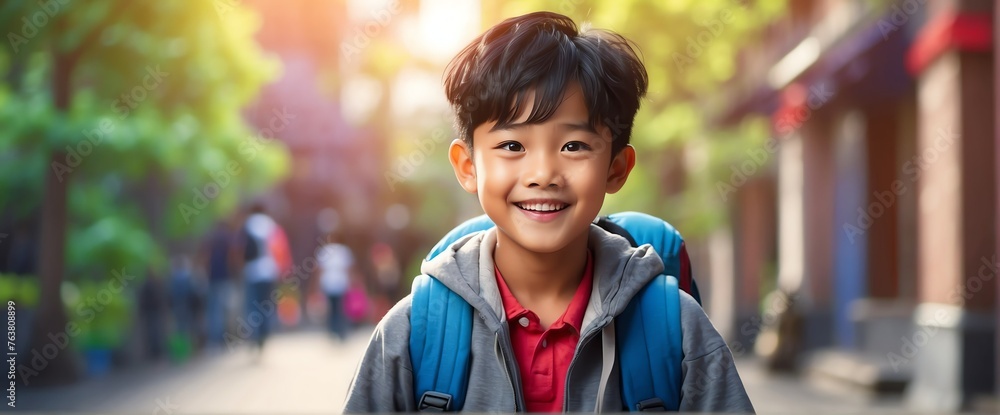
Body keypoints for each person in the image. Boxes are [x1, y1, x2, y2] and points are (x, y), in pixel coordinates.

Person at [343, 11, 753, 413]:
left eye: (573, 146)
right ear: (468, 167)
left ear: (616, 168)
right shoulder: (414, 334)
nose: (543, 174)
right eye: (512, 146)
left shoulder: (677, 330)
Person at [239, 203, 288, 353]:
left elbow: (240, 248)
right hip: (269, 270)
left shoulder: (248, 224)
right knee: (266, 306)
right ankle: (264, 336)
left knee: (252, 306)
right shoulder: (271, 225)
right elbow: (280, 248)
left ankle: (254, 336)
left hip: (252, 271)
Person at [317, 238, 354, 341]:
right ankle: (340, 331)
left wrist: (317, 285)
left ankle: (333, 331)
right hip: (341, 283)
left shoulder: (324, 251)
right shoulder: (344, 251)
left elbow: (320, 270)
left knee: (332, 309)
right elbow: (349, 269)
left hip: (328, 283)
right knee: (340, 309)